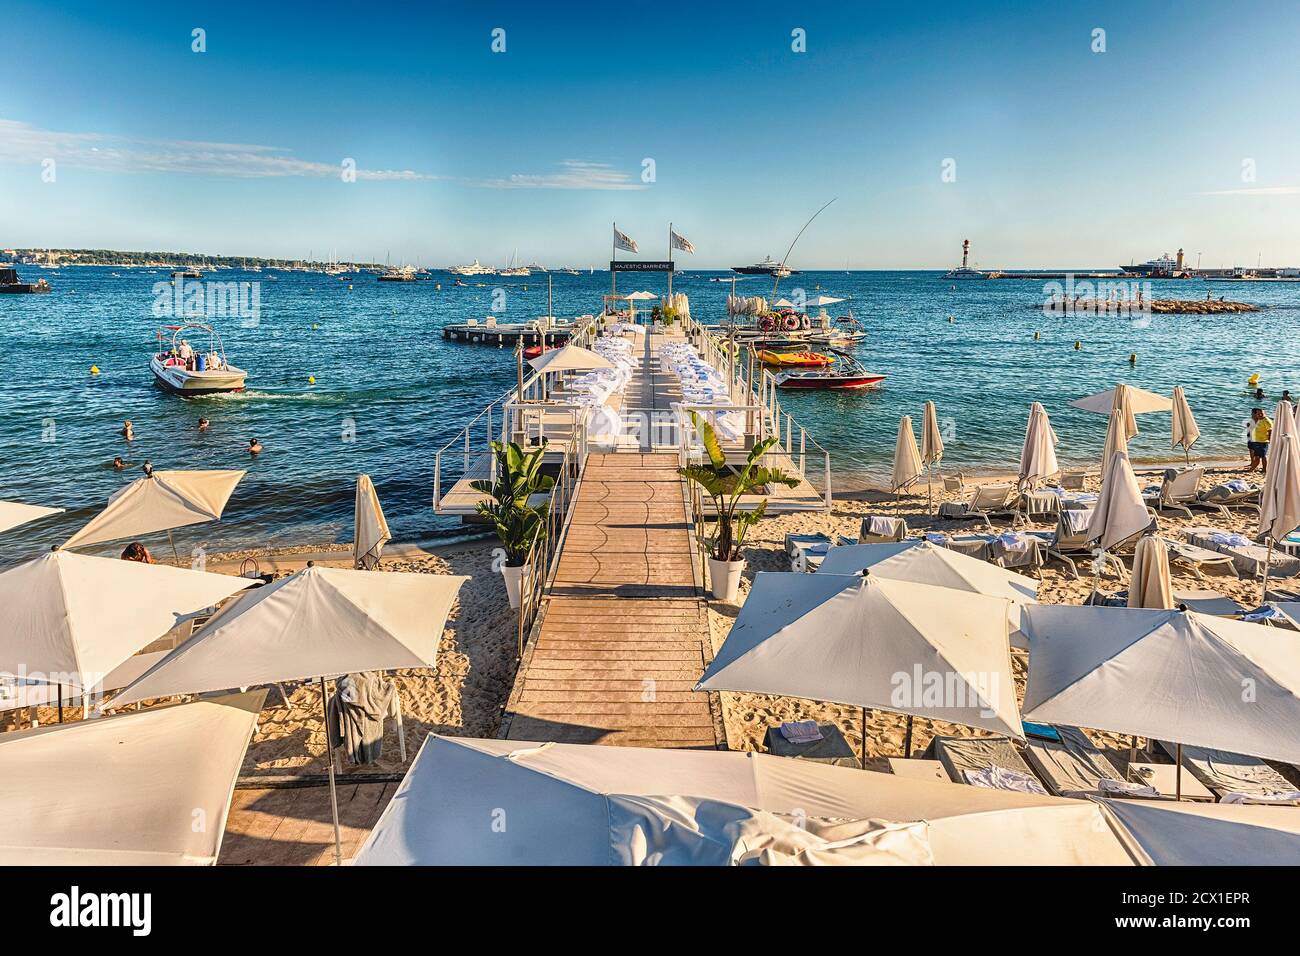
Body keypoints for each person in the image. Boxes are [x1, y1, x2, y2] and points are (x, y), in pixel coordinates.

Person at [1247, 407, 1273, 474]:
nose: (1260, 415)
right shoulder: (1259, 420)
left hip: (1263, 442)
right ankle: (1254, 469)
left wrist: (1269, 439)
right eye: (1258, 414)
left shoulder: (1266, 421)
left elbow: (1270, 430)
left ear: (1264, 413)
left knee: (1262, 456)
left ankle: (1262, 469)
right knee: (1258, 456)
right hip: (1257, 441)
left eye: (1261, 413)